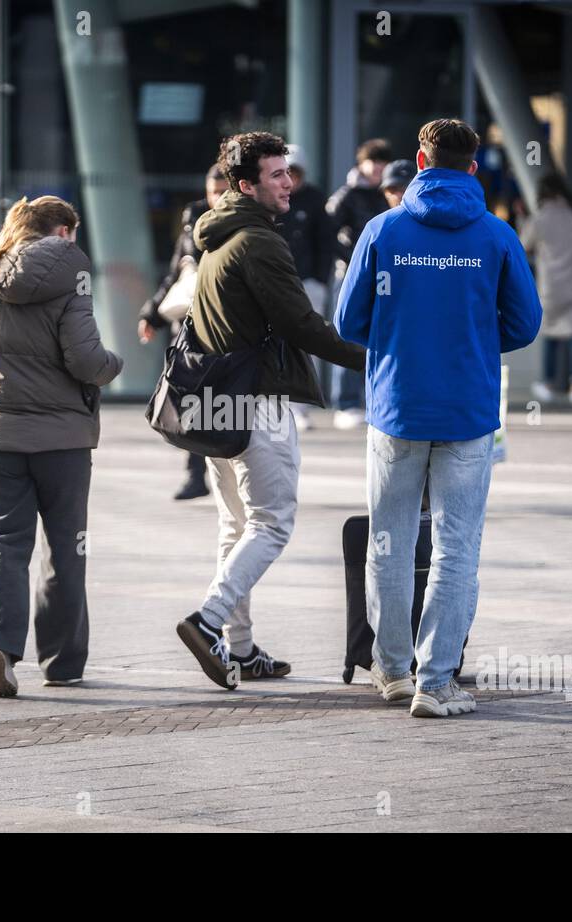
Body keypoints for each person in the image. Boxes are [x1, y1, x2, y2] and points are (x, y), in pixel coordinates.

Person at [336, 118, 541, 717]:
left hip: (396, 408)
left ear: (420, 162)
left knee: (389, 542)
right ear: (473, 168)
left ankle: (393, 671)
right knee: (457, 548)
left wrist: (402, 338)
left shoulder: (383, 229)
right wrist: (472, 340)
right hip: (467, 412)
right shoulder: (497, 236)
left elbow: (350, 323)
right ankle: (437, 680)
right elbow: (524, 325)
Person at [176, 132, 365, 689]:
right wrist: (373, 359)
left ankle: (239, 648)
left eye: (288, 172)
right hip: (257, 402)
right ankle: (207, 621)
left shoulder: (217, 236)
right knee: (272, 525)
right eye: (276, 174)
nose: (289, 182)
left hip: (218, 402)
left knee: (236, 526)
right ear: (245, 184)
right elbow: (299, 324)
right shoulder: (258, 242)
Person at [0, 196, 123, 697]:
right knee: (65, 548)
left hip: (1, 435)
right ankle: (60, 663)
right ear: (63, 231)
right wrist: (113, 365)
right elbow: (84, 359)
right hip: (62, 439)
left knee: (5, 546)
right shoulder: (72, 273)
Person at [138, 163, 228, 500]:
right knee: (192, 399)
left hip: (222, 327)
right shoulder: (193, 221)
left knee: (219, 401)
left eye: (222, 192)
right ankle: (195, 474)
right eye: (212, 192)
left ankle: (221, 474)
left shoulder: (239, 224)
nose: (216, 198)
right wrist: (152, 314)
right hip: (189, 324)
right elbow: (177, 273)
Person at [326, 138, 392, 429]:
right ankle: (346, 401)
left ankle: (373, 399)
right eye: (373, 162)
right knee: (349, 335)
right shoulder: (347, 195)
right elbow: (326, 231)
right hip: (351, 275)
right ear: (361, 163)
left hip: (386, 274)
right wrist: (353, 260)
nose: (378, 168)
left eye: (382, 162)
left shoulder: (389, 193)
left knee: (381, 336)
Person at [517, 172, 572, 406]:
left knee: (550, 335)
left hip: (552, 287)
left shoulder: (541, 218)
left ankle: (548, 384)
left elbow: (523, 245)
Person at [278, 144, 334, 433]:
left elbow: (327, 241)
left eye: (295, 172)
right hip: (274, 284)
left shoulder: (314, 200)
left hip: (307, 283)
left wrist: (320, 280)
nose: (290, 180)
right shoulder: (270, 199)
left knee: (305, 347)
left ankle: (298, 407)